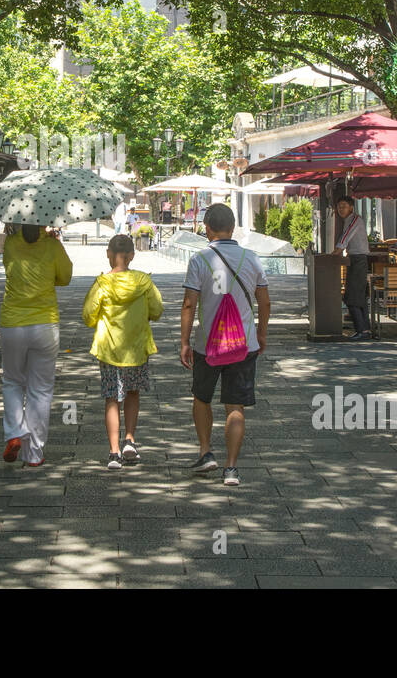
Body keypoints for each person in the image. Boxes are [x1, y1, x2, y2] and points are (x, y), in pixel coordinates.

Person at [179, 203, 270, 487]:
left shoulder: (199, 260)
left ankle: (206, 452)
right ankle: (231, 468)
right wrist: (261, 334)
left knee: (201, 397)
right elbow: (265, 303)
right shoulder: (251, 258)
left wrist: (184, 341)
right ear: (233, 229)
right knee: (236, 405)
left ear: (207, 228)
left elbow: (189, 303)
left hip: (208, 345)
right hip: (243, 344)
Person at [82, 234, 163, 470]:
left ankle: (114, 451)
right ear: (132, 256)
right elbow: (157, 310)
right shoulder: (144, 281)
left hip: (109, 349)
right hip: (136, 348)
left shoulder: (101, 284)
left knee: (111, 398)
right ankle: (130, 439)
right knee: (133, 393)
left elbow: (88, 316)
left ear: (108, 254)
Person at [0, 222, 73, 467]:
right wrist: (54, 242)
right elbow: (65, 277)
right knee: (40, 390)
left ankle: (14, 433)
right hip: (45, 324)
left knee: (12, 382)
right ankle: (34, 454)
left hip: (12, 323)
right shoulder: (52, 245)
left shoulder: (10, 243)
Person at [334, 195, 372, 340]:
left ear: (351, 207)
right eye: (339, 206)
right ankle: (364, 329)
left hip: (358, 260)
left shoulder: (355, 220)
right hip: (354, 259)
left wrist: (336, 252)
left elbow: (345, 237)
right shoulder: (347, 220)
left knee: (352, 297)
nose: (341, 209)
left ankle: (362, 330)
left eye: (344, 206)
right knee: (358, 297)